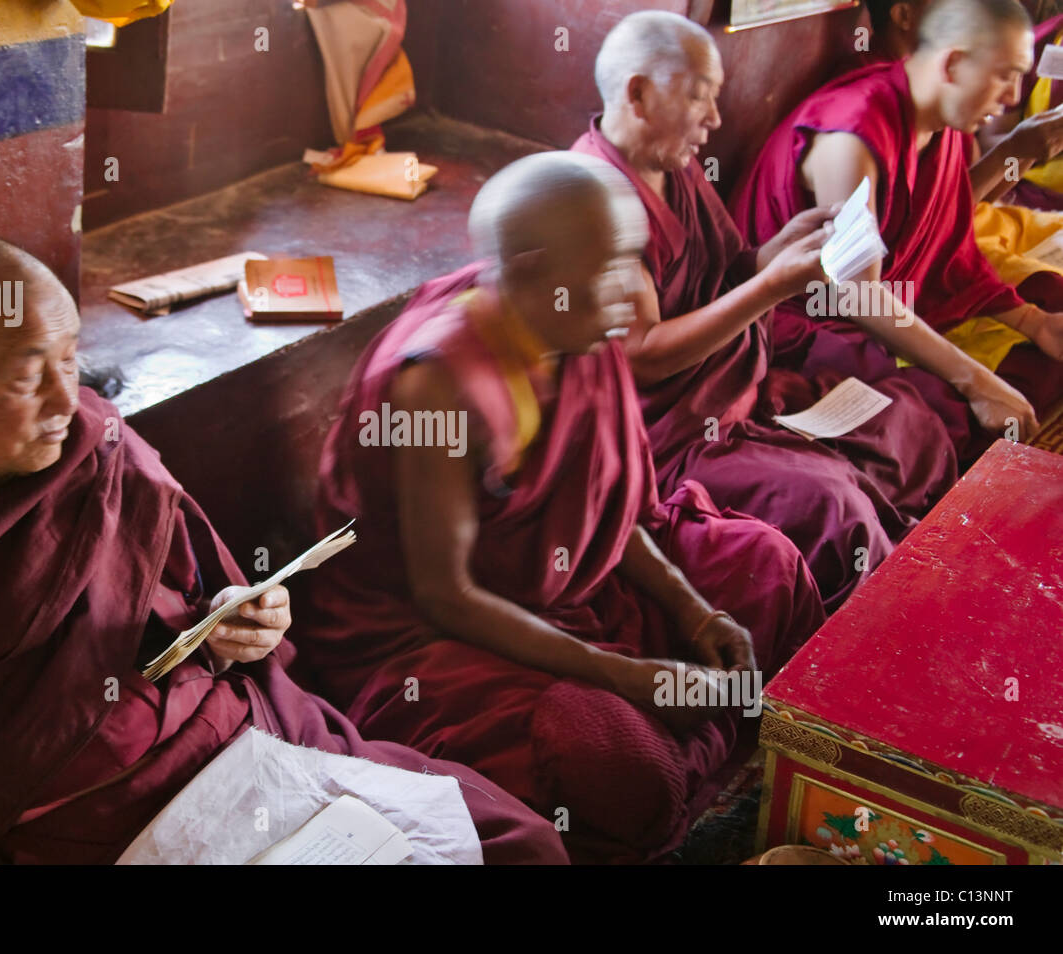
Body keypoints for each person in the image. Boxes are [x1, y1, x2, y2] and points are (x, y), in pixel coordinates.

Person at [0, 233, 567, 865]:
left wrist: (231, 624)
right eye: (27, 378)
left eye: (69, 360)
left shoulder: (98, 443)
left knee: (515, 841)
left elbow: (191, 605)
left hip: (244, 746)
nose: (65, 400)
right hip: (99, 826)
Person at [296, 152, 826, 864]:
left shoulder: (574, 330)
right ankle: (677, 748)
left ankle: (687, 733)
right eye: (610, 269)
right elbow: (444, 595)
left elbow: (609, 506)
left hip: (567, 590)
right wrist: (624, 675)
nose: (633, 297)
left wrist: (693, 608)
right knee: (620, 771)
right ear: (534, 270)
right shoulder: (437, 383)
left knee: (769, 569)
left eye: (635, 264)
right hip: (427, 639)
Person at [570, 11, 959, 610]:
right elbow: (642, 357)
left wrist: (777, 250)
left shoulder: (673, 162)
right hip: (671, 443)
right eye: (701, 98)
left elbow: (731, 271)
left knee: (910, 422)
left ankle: (910, 589)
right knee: (839, 509)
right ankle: (844, 669)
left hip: (740, 391)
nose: (716, 120)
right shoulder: (598, 197)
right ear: (639, 95)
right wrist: (774, 285)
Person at [732, 0, 1063, 459]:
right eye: (1005, 75)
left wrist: (1035, 323)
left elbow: (947, 247)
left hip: (874, 308)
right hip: (797, 321)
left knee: (1041, 332)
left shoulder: (939, 125)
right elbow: (854, 293)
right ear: (953, 63)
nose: (1011, 97)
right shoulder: (853, 135)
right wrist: (978, 381)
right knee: (939, 420)